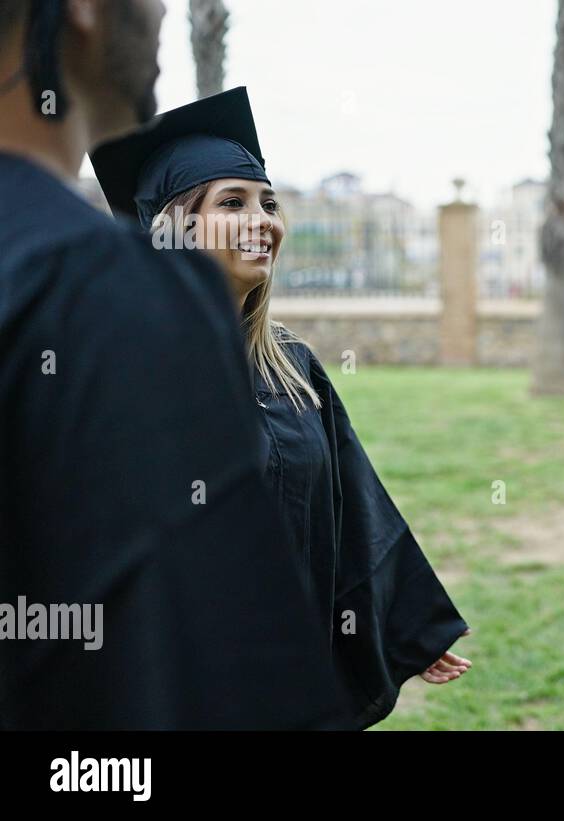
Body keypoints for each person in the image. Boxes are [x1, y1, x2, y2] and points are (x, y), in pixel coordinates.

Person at [0, 0, 348, 727]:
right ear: (86, 11)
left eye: (268, 202)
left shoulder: (288, 363)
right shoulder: (91, 288)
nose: (162, 10)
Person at [90, 88, 473, 729]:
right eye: (232, 203)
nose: (262, 219)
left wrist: (407, 622)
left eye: (268, 203)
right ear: (174, 224)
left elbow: (352, 498)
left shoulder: (290, 366)